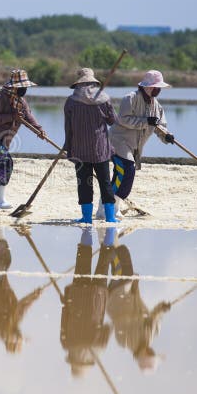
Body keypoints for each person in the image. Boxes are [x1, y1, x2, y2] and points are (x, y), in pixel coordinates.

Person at [104, 70, 175, 219]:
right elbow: (123, 120)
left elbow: (160, 126)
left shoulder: (157, 107)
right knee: (127, 170)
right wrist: (145, 121)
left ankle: (105, 207)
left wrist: (166, 137)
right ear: (148, 87)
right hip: (117, 142)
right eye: (157, 87)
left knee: (120, 174)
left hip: (134, 147)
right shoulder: (130, 99)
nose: (159, 90)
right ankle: (113, 207)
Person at [0, 69, 46, 211]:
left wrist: (39, 129)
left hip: (4, 141)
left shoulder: (21, 101)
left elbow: (28, 117)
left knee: (5, 166)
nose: (24, 89)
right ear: (14, 86)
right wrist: (11, 117)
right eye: (22, 87)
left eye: (25, 87)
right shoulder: (0, 99)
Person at [105, 226, 170, 373]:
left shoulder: (124, 342)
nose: (152, 351)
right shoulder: (151, 336)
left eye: (150, 355)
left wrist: (141, 320)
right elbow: (154, 317)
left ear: (142, 356)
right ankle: (110, 233)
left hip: (117, 297)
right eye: (153, 353)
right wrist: (162, 308)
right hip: (128, 293)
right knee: (121, 262)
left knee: (123, 265)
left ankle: (108, 233)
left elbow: (121, 320)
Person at [0, 224, 44, 353]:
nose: (20, 335)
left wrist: (34, 296)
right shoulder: (11, 324)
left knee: (3, 260)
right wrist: (35, 295)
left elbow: (19, 307)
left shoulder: (2, 325)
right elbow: (22, 308)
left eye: (17, 339)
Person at [63, 67, 118, 223]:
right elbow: (113, 121)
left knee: (84, 183)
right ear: (93, 83)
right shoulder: (104, 99)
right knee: (105, 182)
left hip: (79, 150)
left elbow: (68, 128)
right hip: (100, 149)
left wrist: (68, 147)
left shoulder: (71, 102)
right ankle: (110, 217)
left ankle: (86, 218)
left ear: (78, 85)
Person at [60, 228, 114, 377]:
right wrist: (66, 299)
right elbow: (64, 316)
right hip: (77, 294)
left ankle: (111, 231)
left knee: (104, 260)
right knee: (83, 257)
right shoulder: (67, 344)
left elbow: (108, 328)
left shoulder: (97, 348)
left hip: (97, 298)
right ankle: (88, 229)